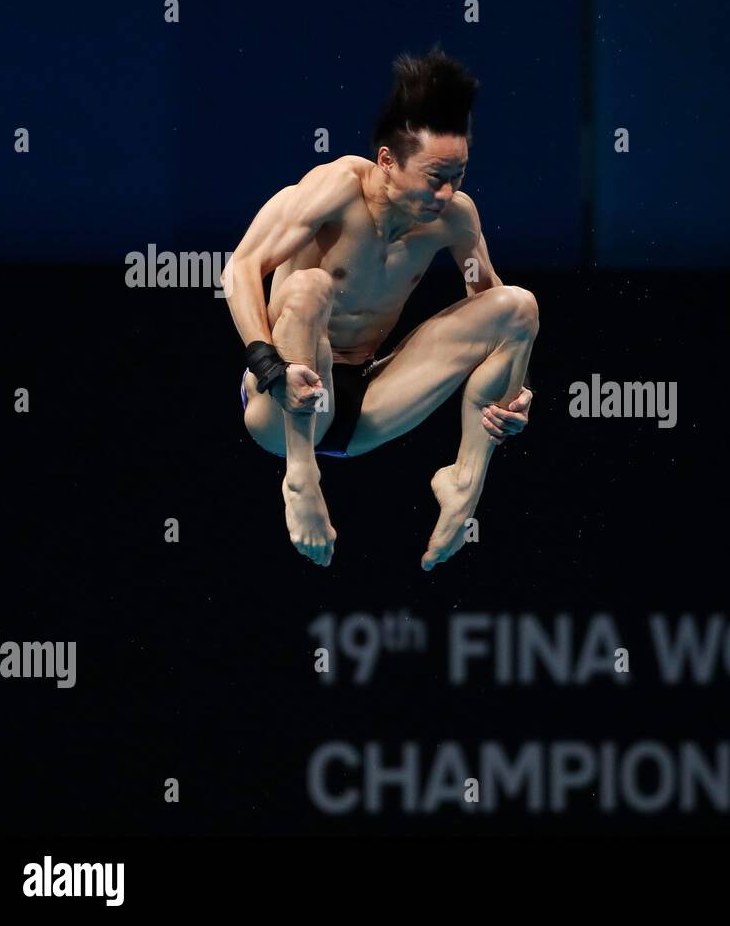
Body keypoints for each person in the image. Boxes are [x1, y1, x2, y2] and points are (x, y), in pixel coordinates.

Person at [224, 48, 537, 570]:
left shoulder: (455, 219)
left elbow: (489, 307)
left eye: (458, 175)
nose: (447, 192)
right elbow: (240, 269)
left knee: (518, 308)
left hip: (367, 407)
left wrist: (515, 391)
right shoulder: (333, 191)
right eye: (435, 176)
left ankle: (464, 481)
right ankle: (301, 479)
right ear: (387, 160)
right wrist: (268, 365)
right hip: (281, 404)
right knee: (309, 287)